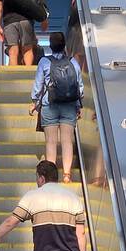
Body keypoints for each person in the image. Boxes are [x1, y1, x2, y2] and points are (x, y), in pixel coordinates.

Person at [31, 31, 84, 183]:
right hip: (69, 105)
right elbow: (79, 85)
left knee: (51, 142)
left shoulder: (44, 62)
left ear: (50, 46)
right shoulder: (73, 61)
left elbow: (38, 85)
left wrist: (35, 101)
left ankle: (50, 177)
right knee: (67, 141)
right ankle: (67, 175)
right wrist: (78, 104)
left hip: (49, 105)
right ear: (64, 45)